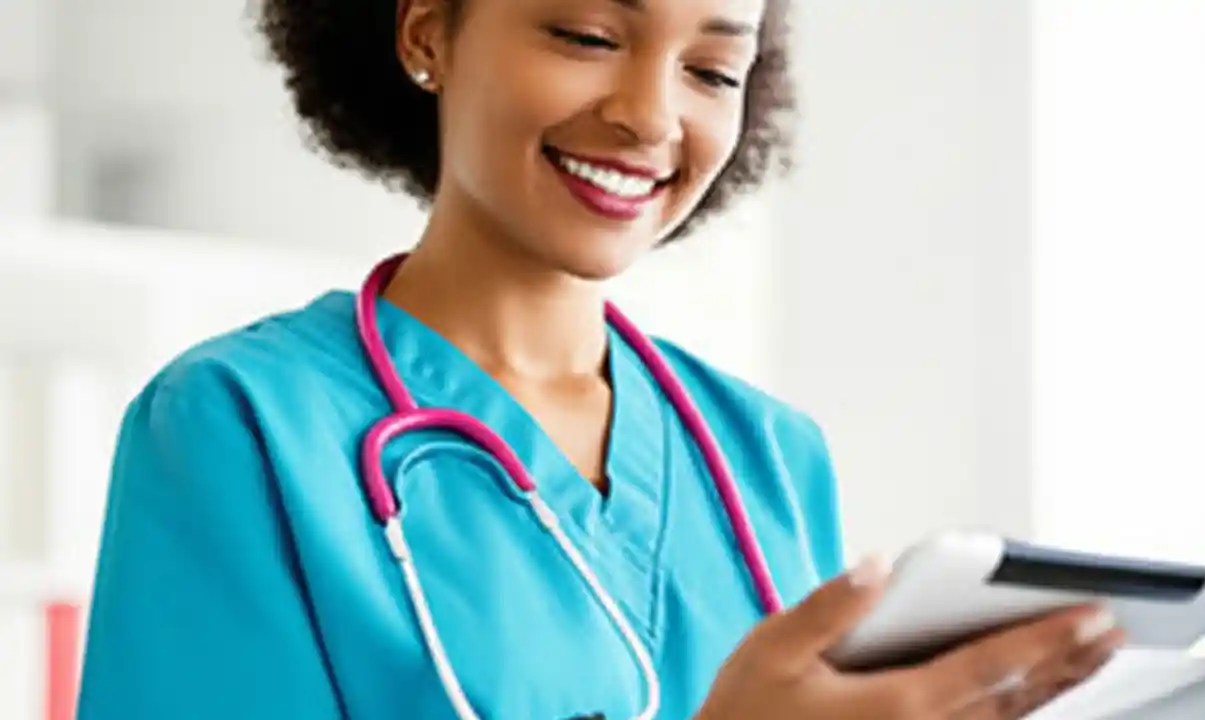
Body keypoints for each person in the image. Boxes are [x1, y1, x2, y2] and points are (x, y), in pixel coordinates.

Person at [76, 0, 1124, 717]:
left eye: (711, 68)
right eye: (584, 33)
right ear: (428, 30)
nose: (649, 115)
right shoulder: (237, 427)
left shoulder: (766, 454)